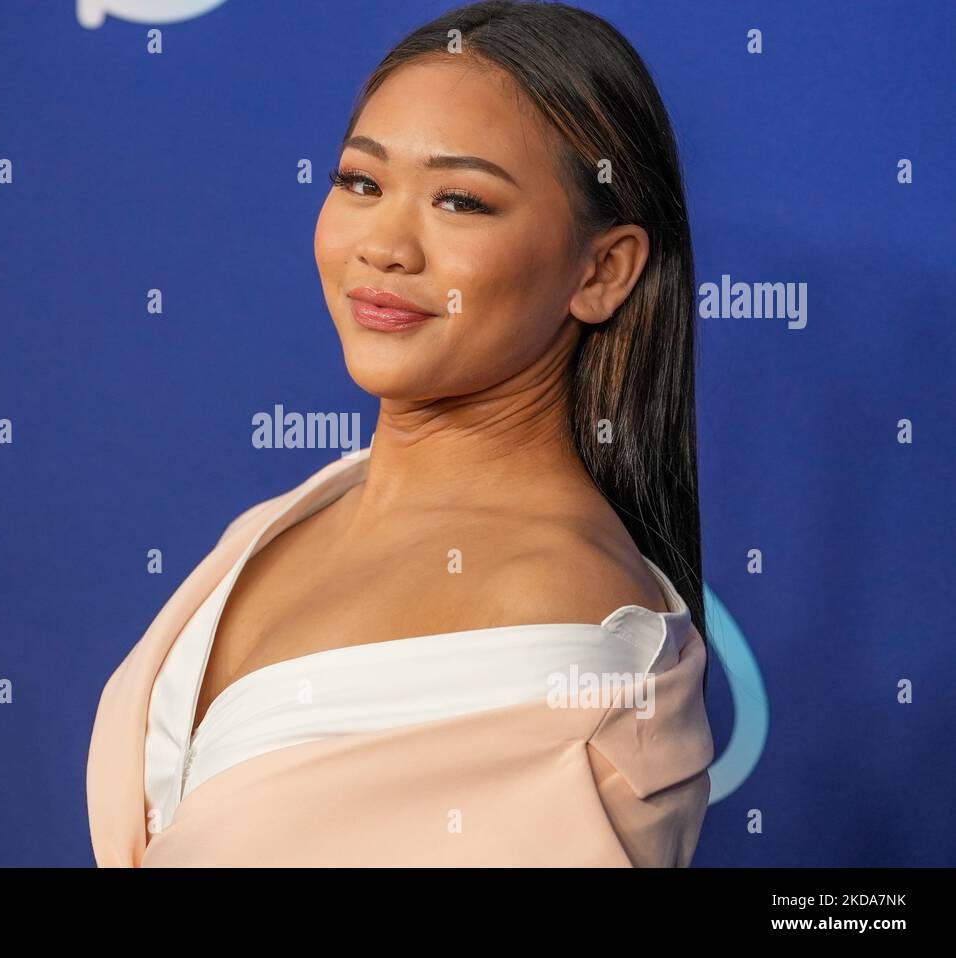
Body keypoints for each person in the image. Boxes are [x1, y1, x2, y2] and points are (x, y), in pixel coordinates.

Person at [87, 0, 714, 867]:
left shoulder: (558, 615)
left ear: (602, 272)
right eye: (360, 182)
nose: (383, 244)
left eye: (461, 200)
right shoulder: (291, 516)